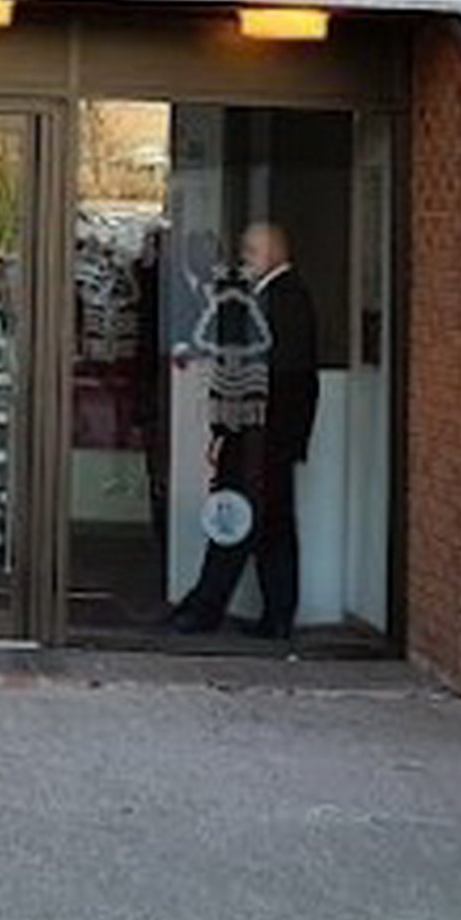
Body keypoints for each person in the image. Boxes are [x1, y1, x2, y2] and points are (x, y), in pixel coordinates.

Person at [169, 219, 322, 642]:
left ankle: (206, 608)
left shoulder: (283, 298)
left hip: (261, 436)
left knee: (236, 519)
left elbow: (276, 371)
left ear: (274, 252)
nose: (245, 260)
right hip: (268, 437)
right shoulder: (278, 296)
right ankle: (270, 616)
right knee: (268, 526)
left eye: (252, 252)